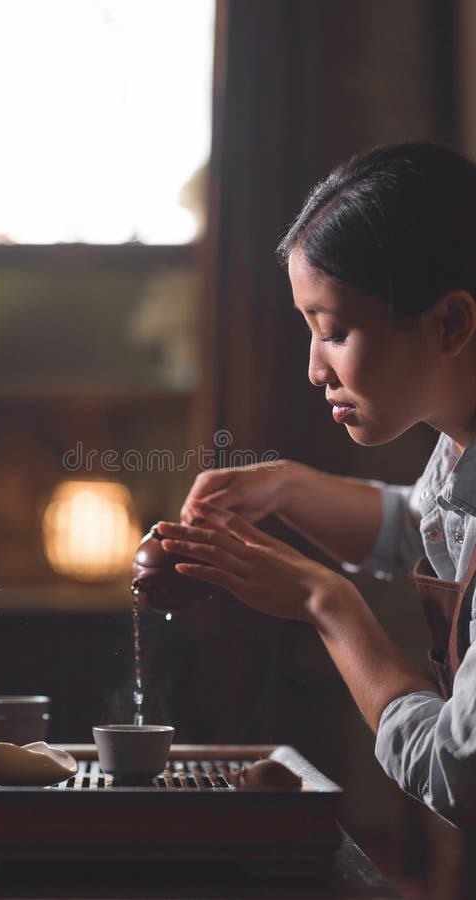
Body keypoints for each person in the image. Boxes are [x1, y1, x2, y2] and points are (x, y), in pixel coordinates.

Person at [156, 143, 476, 828]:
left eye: (333, 332)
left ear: (449, 323)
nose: (314, 369)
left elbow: (458, 774)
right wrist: (288, 490)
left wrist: (325, 603)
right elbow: (425, 528)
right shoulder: (460, 445)